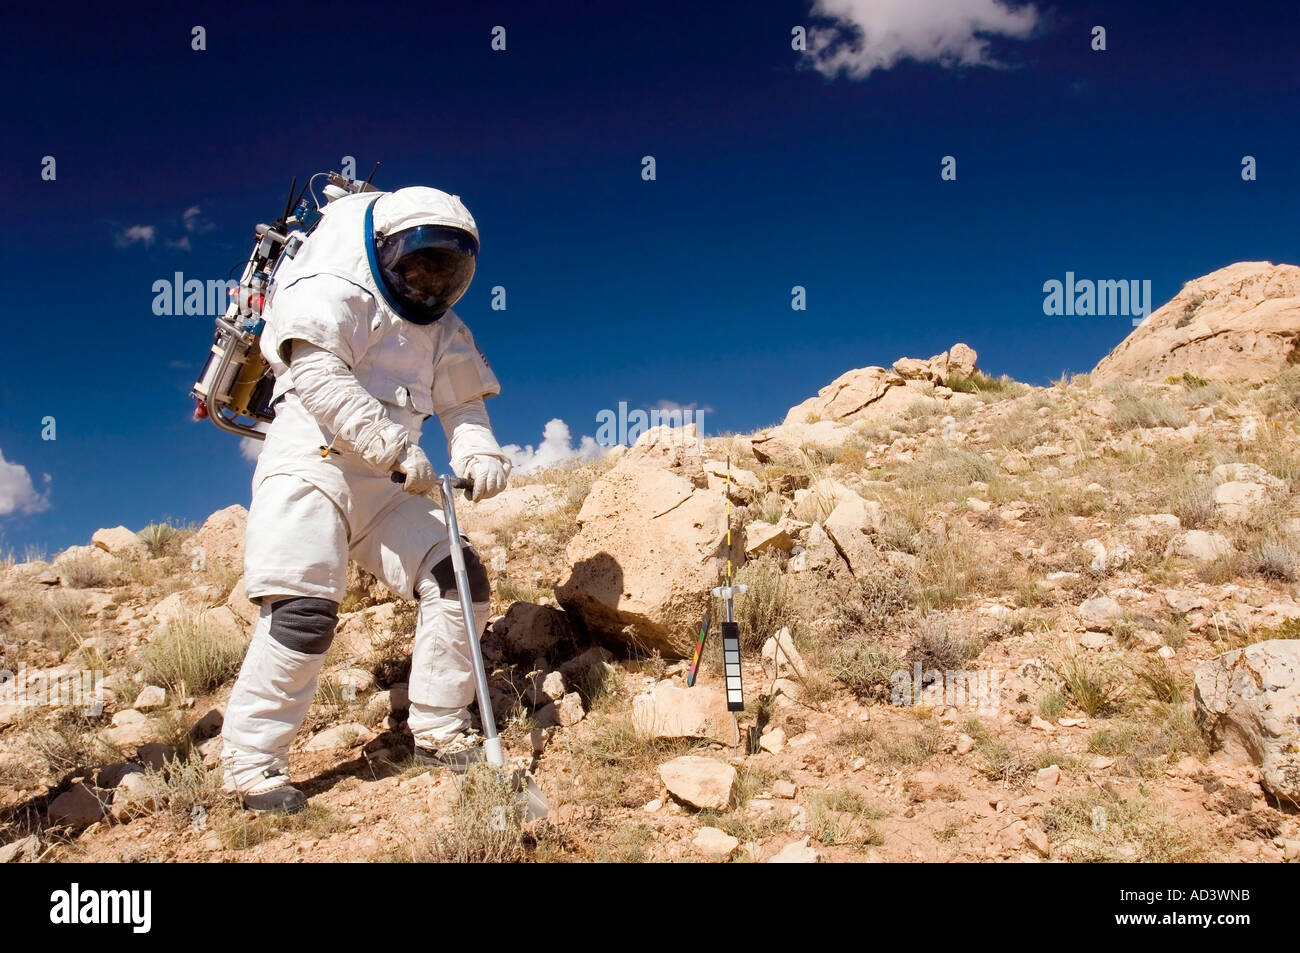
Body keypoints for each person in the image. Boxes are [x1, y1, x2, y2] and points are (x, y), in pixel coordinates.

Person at [219, 185, 512, 813]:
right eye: (418, 266)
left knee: (458, 575)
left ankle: (438, 725)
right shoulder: (332, 290)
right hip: (311, 467)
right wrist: (390, 443)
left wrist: (480, 452)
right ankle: (252, 765)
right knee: (302, 613)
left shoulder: (443, 330)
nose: (430, 283)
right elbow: (316, 372)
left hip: (387, 482)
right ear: (384, 252)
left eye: (446, 271)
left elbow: (462, 404)